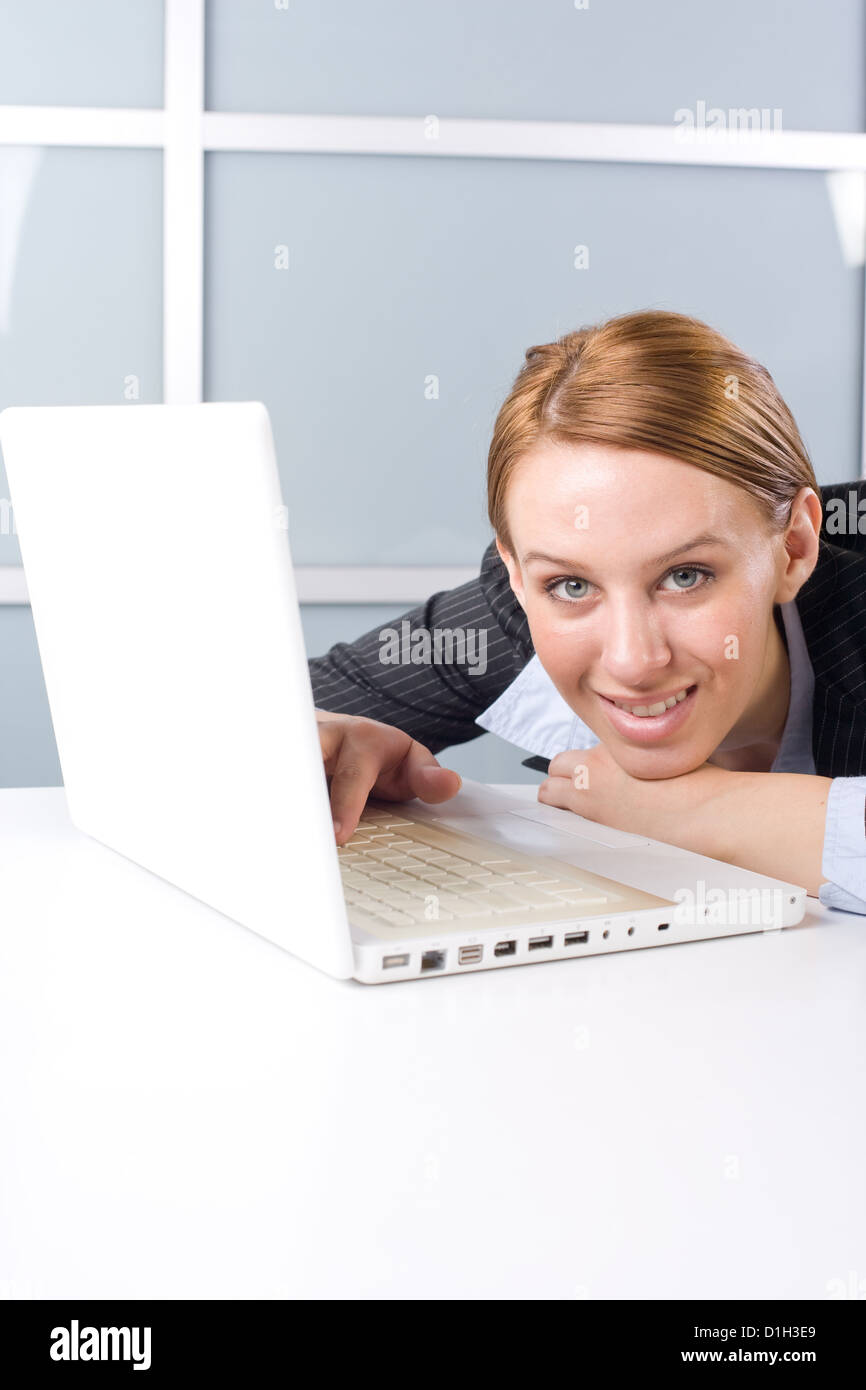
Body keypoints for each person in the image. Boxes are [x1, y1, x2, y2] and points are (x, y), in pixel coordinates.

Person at [309, 308, 866, 913]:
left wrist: (700, 814)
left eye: (685, 576)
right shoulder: (509, 615)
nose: (632, 661)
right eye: (572, 586)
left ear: (794, 548)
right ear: (519, 575)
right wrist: (321, 743)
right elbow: (236, 719)